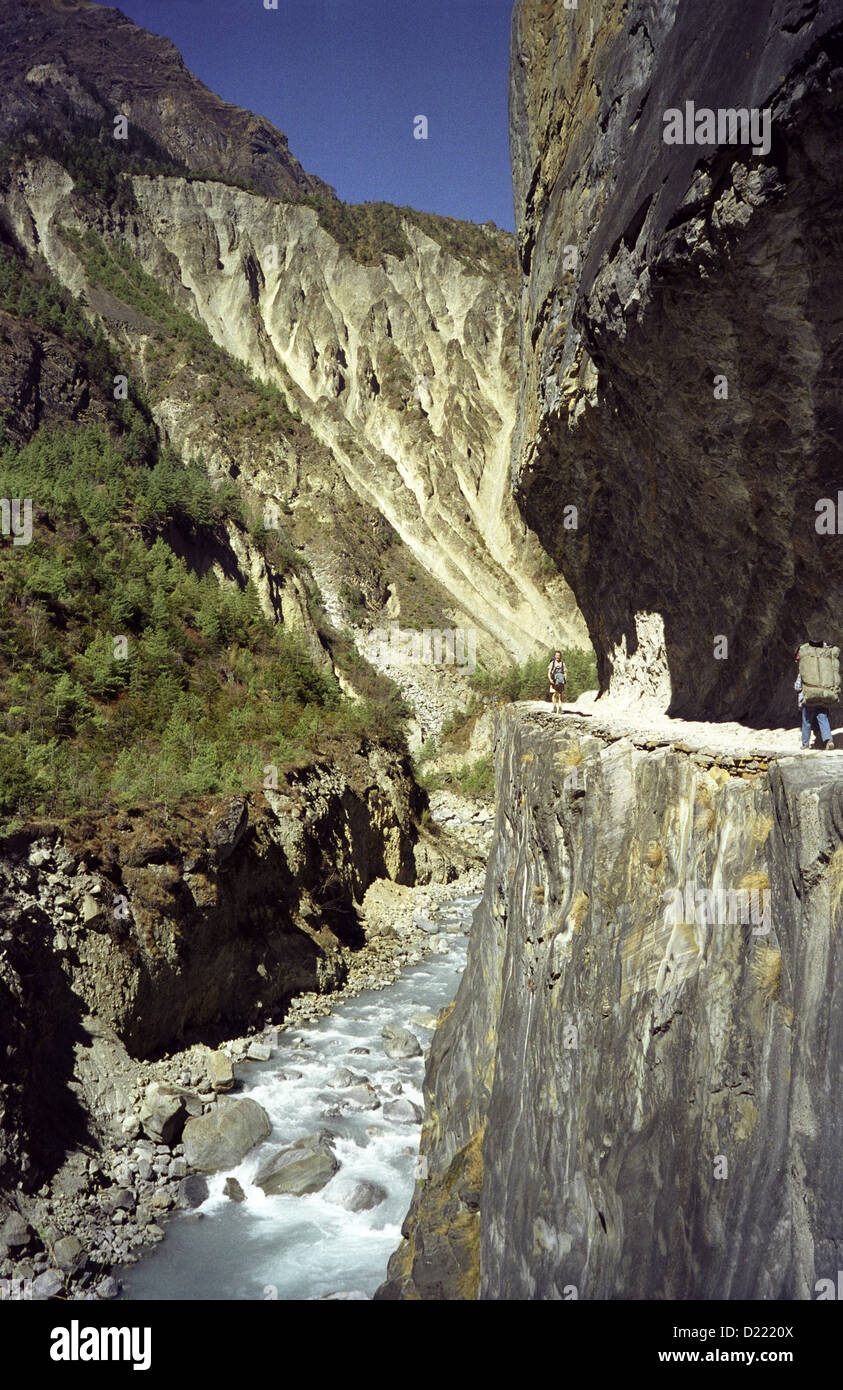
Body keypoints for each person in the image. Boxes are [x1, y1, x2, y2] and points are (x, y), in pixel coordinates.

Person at [795, 650, 835, 749]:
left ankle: (805, 744)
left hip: (809, 699)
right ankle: (828, 740)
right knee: (823, 718)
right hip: (822, 697)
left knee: (807, 721)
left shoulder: (804, 670)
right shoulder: (822, 671)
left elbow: (798, 687)